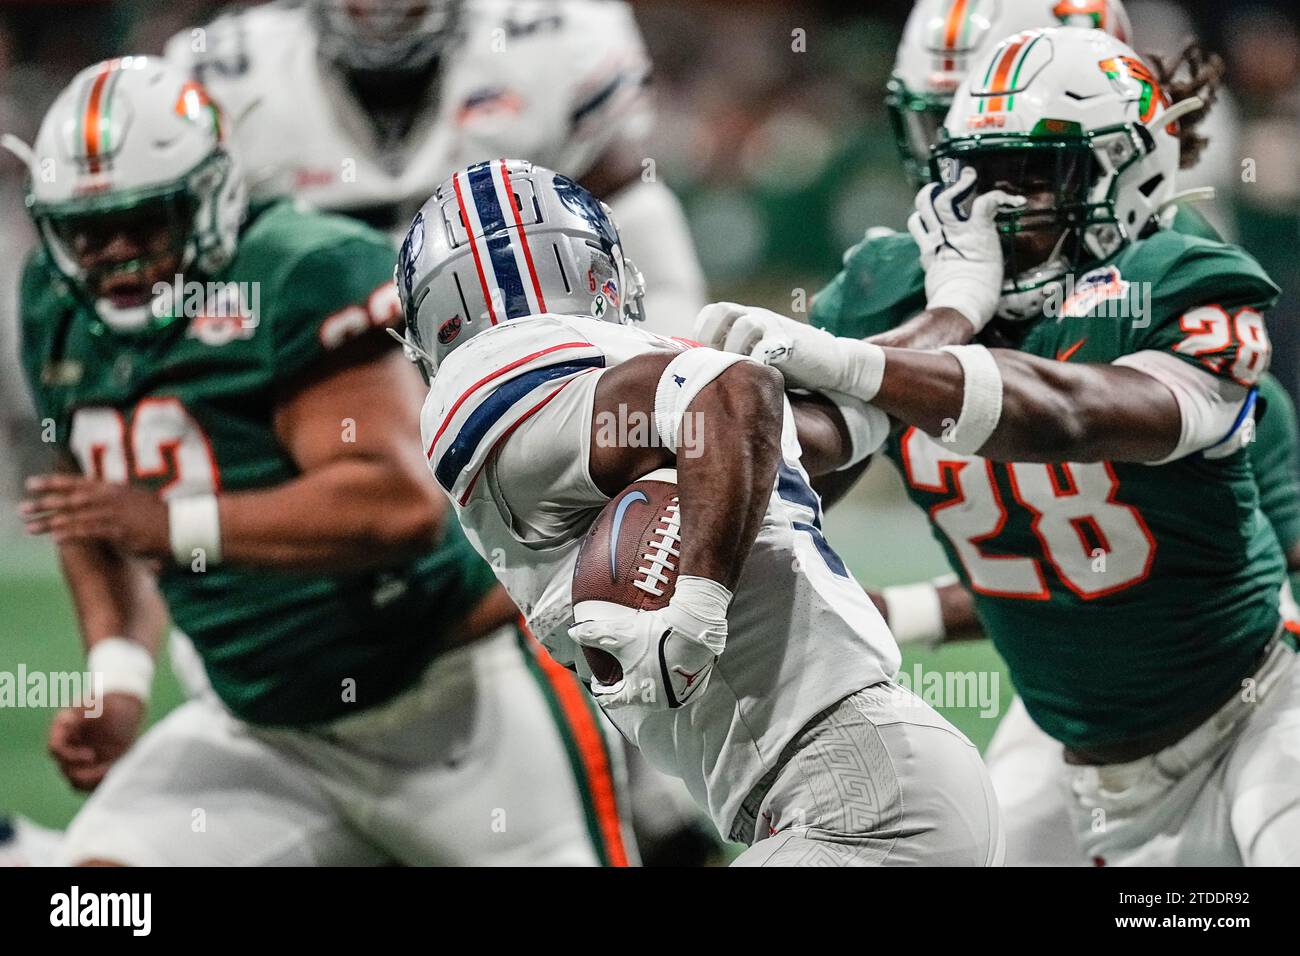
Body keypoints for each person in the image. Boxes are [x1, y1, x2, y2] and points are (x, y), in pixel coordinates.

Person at [700, 27, 1300, 866]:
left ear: (1128, 173)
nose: (1001, 205)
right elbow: (804, 471)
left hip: (1255, 718)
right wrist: (703, 404)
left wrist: (894, 347)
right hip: (1078, 758)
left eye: (1034, 175)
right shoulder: (898, 285)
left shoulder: (1180, 280)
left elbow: (1067, 417)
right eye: (982, 173)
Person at [15, 57, 633, 866]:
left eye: (147, 221)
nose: (118, 253)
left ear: (209, 195)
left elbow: (396, 505)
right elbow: (90, 514)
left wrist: (173, 524)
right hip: (258, 730)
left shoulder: (298, 270)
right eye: (91, 231)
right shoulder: (54, 303)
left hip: (448, 701)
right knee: (94, 903)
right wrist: (119, 679)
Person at [401, 158, 1004, 866]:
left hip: (855, 802)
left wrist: (694, 609)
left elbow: (732, 388)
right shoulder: (655, 384)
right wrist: (956, 309)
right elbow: (844, 423)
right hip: (880, 782)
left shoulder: (487, 378)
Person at [163, 0, 706, 336]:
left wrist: (658, 367)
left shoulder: (555, 38)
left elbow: (631, 218)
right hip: (320, 369)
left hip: (525, 341)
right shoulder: (225, 71)